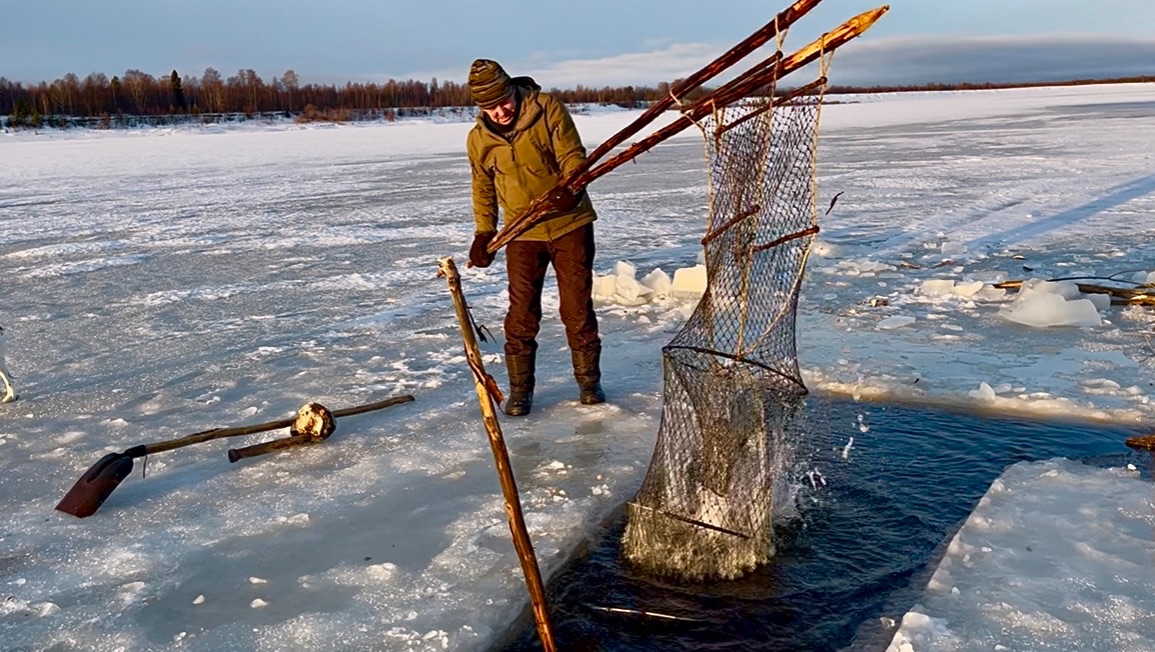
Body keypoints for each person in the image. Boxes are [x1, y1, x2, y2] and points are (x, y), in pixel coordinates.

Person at [465, 58, 604, 417]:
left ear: (513, 89)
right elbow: (483, 186)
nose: (500, 111)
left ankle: (589, 383)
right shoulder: (478, 139)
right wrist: (484, 232)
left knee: (575, 308)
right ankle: (521, 391)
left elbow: (572, 154)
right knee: (522, 313)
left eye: (503, 101)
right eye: (490, 107)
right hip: (522, 232)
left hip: (569, 223)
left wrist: (571, 186)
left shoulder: (547, 109)